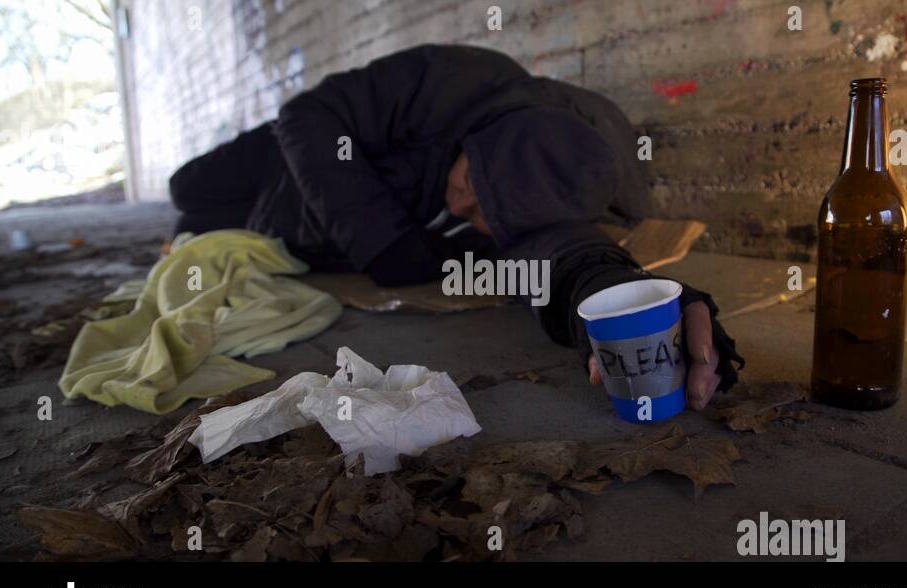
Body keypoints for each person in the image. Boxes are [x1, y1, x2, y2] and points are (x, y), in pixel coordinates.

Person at [168, 44, 743, 409]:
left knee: (197, 228)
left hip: (304, 237)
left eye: (477, 215)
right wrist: (382, 240)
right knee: (185, 190)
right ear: (487, 138)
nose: (460, 197)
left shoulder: (556, 196)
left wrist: (625, 300)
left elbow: (562, 255)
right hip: (283, 160)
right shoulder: (456, 80)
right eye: (474, 176)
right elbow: (310, 114)